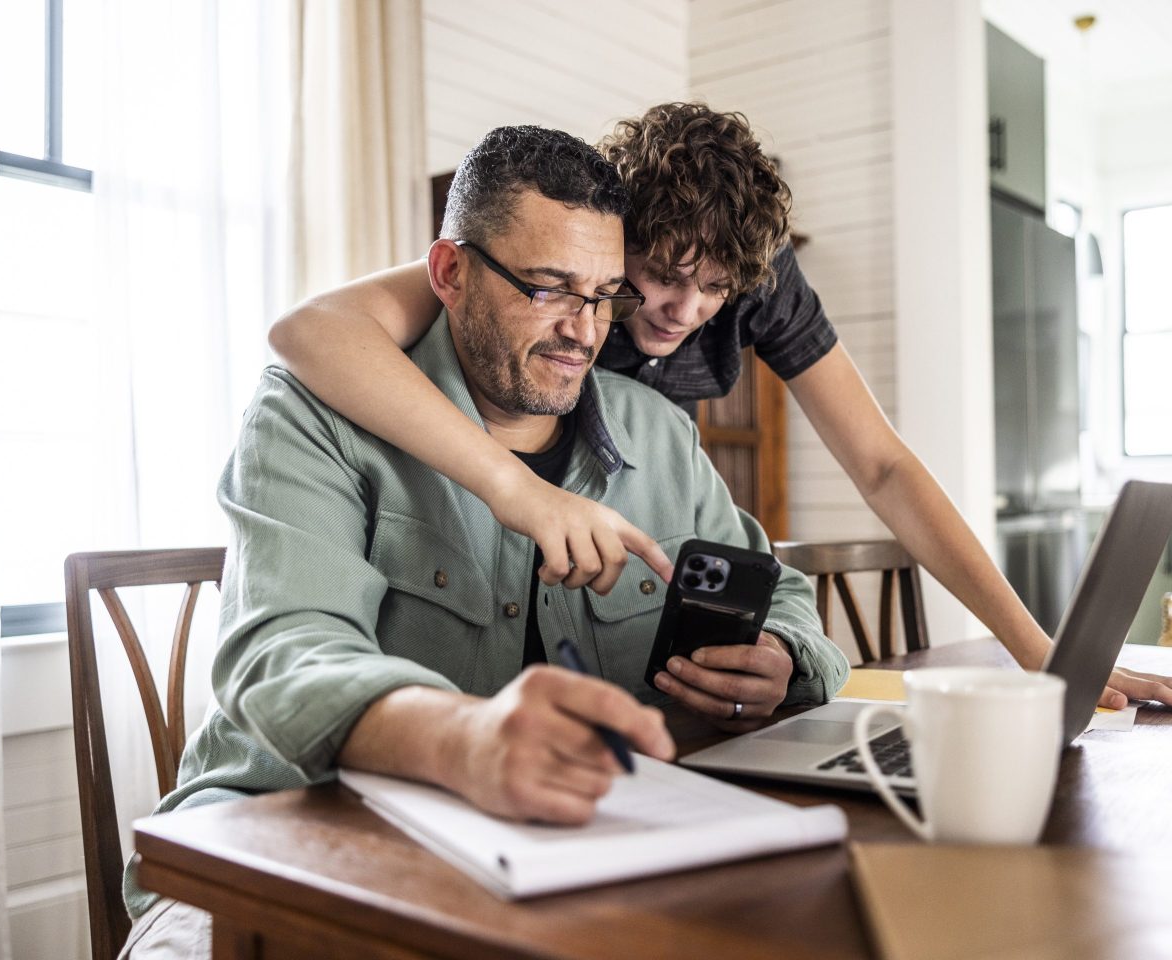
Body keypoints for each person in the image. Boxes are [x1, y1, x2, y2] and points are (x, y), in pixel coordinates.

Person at [118, 124, 850, 957]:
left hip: (556, 867)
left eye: (605, 294)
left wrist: (788, 657)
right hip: (270, 853)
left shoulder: (659, 431)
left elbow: (778, 590)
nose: (584, 331)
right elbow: (285, 660)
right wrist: (465, 739)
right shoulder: (312, 410)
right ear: (450, 274)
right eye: (548, 288)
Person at [269, 102, 1172, 718]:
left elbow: (883, 467)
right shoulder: (544, 273)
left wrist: (1042, 655)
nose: (680, 314)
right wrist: (515, 491)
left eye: (716, 290)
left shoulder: (690, 377)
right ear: (614, 235)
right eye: (649, 280)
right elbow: (313, 331)